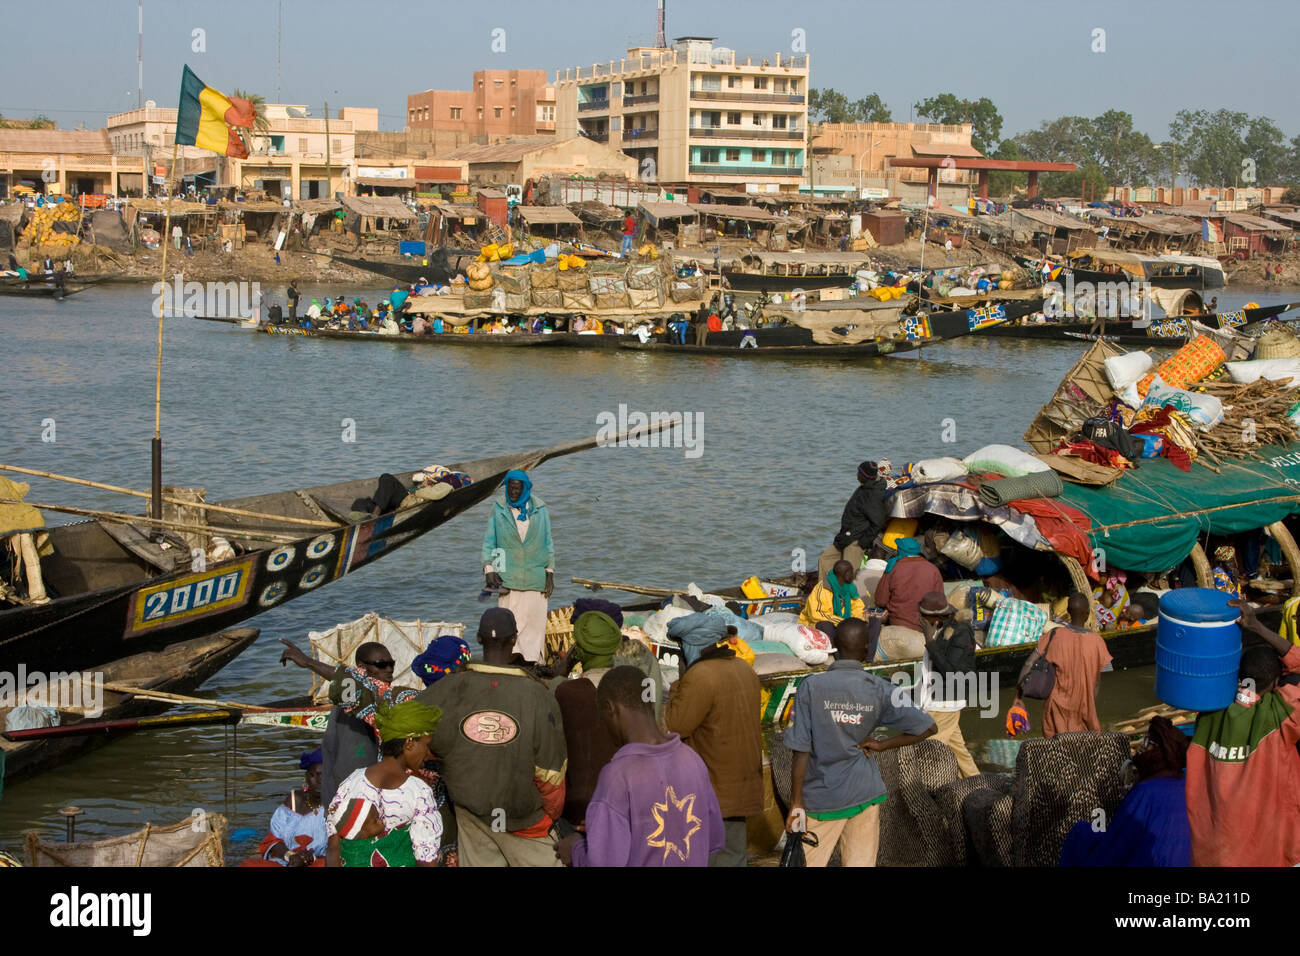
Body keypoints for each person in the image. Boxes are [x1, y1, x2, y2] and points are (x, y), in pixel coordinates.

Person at [416, 608, 567, 867]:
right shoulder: (537, 695)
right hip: (523, 819)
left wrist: (450, 761)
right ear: (513, 640)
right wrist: (548, 817)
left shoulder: (449, 687)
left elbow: (411, 734)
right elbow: (551, 773)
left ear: (478, 638)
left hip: (470, 811)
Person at [784, 618, 937, 866]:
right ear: (867, 650)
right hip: (865, 793)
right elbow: (929, 727)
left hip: (822, 798)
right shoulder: (881, 688)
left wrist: (796, 802)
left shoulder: (811, 687)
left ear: (833, 645)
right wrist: (881, 744)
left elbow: (801, 749)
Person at [557, 666, 725, 867]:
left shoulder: (617, 776)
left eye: (602, 718)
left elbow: (603, 862)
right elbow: (713, 838)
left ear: (610, 709)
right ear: (651, 703)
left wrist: (575, 850)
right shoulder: (692, 760)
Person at [1185, 599, 1300, 866]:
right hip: (1272, 852)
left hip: (1213, 854)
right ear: (1275, 682)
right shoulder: (1280, 714)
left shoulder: (1209, 709)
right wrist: (1257, 626)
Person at [664, 609, 763, 867]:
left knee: (708, 857)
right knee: (734, 856)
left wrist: (678, 685)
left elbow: (674, 726)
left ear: (690, 646)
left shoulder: (700, 676)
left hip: (713, 790)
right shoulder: (743, 668)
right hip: (742, 785)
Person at [278, 639, 411, 808]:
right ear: (362, 668)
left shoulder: (374, 698)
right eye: (381, 664)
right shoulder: (356, 702)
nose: (389, 669)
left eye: (391, 664)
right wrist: (308, 663)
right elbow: (348, 767)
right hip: (356, 798)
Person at [326, 699, 444, 867]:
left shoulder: (352, 781)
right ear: (409, 743)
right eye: (426, 745)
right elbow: (426, 859)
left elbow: (333, 847)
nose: (428, 754)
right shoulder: (419, 791)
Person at [1059, 716, 1191, 867]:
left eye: (1147, 743)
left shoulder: (1146, 793)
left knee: (1081, 833)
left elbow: (1115, 847)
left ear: (1158, 752)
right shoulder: (1188, 785)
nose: (1141, 748)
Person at [554, 611, 624, 826]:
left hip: (579, 806)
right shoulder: (631, 687)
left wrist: (561, 671)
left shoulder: (568, 692)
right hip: (623, 802)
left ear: (580, 650)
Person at [1012, 593, 1111, 737]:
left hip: (1056, 705)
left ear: (1068, 612)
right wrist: (1088, 704)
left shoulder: (1054, 635)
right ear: (1088, 613)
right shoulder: (1098, 642)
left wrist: (1018, 696)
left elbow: (1029, 663)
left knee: (1056, 749)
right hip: (1084, 708)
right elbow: (1097, 682)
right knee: (1083, 750)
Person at [481, 469, 554, 664]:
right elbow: (490, 542)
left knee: (534, 628)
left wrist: (549, 572)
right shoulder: (499, 508)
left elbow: (548, 543)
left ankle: (533, 666)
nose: (513, 492)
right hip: (509, 580)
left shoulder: (539, 509)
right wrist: (489, 569)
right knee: (509, 628)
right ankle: (510, 665)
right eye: (510, 488)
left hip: (535, 579)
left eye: (517, 488)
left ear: (524, 488)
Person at [916, 591, 979, 777]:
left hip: (945, 701)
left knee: (928, 751)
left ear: (936, 615)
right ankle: (977, 783)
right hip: (936, 698)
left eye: (923, 615)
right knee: (959, 753)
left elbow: (952, 673)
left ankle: (920, 789)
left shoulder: (960, 632)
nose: (920, 619)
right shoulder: (943, 626)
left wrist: (929, 641)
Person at [241, 749, 328, 867]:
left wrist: (310, 859)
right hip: (289, 861)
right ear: (306, 778)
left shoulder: (337, 804)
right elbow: (274, 840)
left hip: (320, 862)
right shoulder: (293, 800)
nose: (319, 781)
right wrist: (291, 856)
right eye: (314, 775)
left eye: (325, 776)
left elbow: (341, 847)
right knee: (249, 864)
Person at [818, 461, 889, 582]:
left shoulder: (872, 495)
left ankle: (848, 599)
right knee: (825, 560)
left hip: (855, 542)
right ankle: (825, 593)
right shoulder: (865, 488)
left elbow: (877, 522)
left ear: (864, 476)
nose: (857, 475)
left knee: (848, 575)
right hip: (844, 538)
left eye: (859, 473)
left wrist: (862, 542)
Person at [874, 537, 943, 635]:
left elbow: (881, 600)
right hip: (924, 629)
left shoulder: (893, 568)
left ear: (900, 551)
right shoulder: (933, 570)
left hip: (897, 625)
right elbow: (939, 604)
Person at [800, 559, 867, 635]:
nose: (853, 575)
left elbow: (858, 607)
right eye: (850, 572)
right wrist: (842, 622)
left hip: (843, 623)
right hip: (817, 623)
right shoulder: (822, 588)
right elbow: (816, 614)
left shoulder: (850, 587)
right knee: (826, 626)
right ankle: (832, 646)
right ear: (841, 575)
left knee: (872, 623)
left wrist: (859, 620)